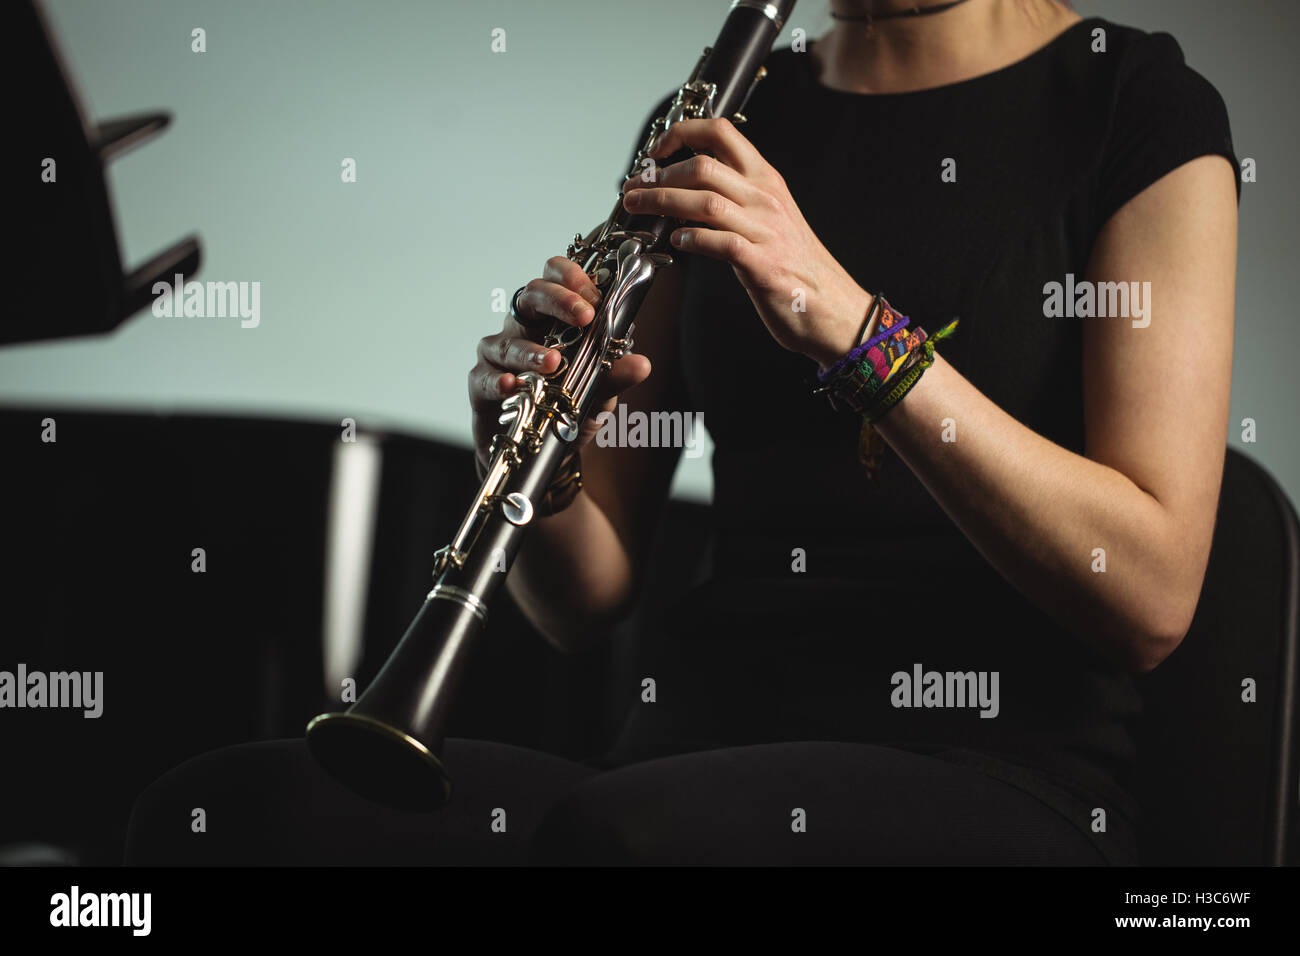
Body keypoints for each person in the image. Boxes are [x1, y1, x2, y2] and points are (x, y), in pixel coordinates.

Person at [126, 0, 1239, 866]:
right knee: (226, 816)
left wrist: (849, 328)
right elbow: (585, 597)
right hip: (681, 758)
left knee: (632, 840)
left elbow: (1147, 591)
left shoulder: (1136, 106)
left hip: (1000, 769)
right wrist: (527, 455)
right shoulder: (727, 111)